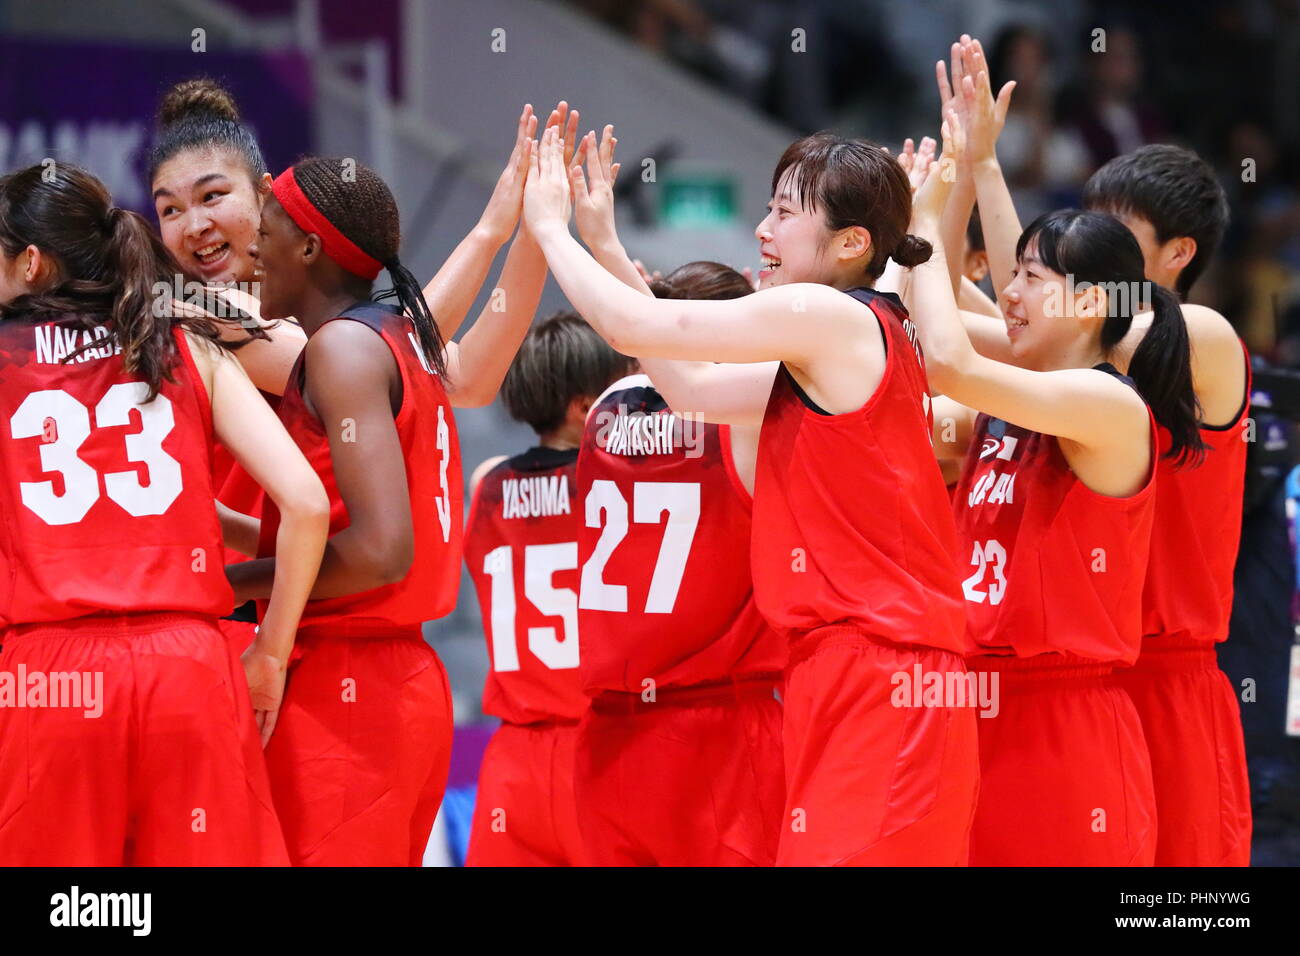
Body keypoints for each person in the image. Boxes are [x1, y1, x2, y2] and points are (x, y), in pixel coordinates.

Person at [524, 122, 978, 866]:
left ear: (850, 244)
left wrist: (548, 227)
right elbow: (692, 385)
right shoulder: (839, 341)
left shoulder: (829, 318)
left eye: (785, 213)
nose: (762, 230)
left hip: (886, 667)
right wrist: (604, 242)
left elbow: (636, 324)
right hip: (849, 665)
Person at [0, 164, 328, 865]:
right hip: (191, 671)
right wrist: (270, 651)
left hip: (50, 677)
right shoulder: (182, 338)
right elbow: (304, 503)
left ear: (29, 263)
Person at [909, 98, 1203, 864]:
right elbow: (921, 342)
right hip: (973, 702)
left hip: (1061, 724)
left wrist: (926, 218)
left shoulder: (1108, 404)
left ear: (1089, 301)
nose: (1008, 293)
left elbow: (946, 361)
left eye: (1029, 279)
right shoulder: (1009, 407)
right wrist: (964, 172)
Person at [1084, 145, 1252, 866]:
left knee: (1179, 912)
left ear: (1178, 251)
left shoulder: (1203, 333)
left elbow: (1010, 337)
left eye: (1114, 231)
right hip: (1088, 679)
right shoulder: (1080, 347)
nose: (1089, 246)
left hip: (1170, 676)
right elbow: (1022, 326)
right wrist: (979, 176)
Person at [462, 310, 634, 866]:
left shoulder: (485, 482)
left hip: (513, 760)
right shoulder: (621, 484)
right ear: (587, 409)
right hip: (602, 749)